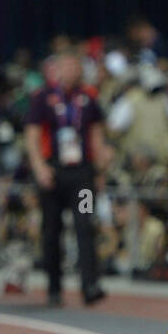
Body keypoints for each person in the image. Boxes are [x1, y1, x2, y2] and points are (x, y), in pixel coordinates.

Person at [25, 50, 109, 306]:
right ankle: (54, 286)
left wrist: (99, 170)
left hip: (81, 173)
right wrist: (39, 167)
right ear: (57, 70)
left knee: (85, 224)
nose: (72, 72)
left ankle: (89, 285)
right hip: (53, 171)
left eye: (76, 67)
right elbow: (32, 135)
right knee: (51, 229)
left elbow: (96, 134)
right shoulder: (43, 98)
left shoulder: (88, 97)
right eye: (67, 66)